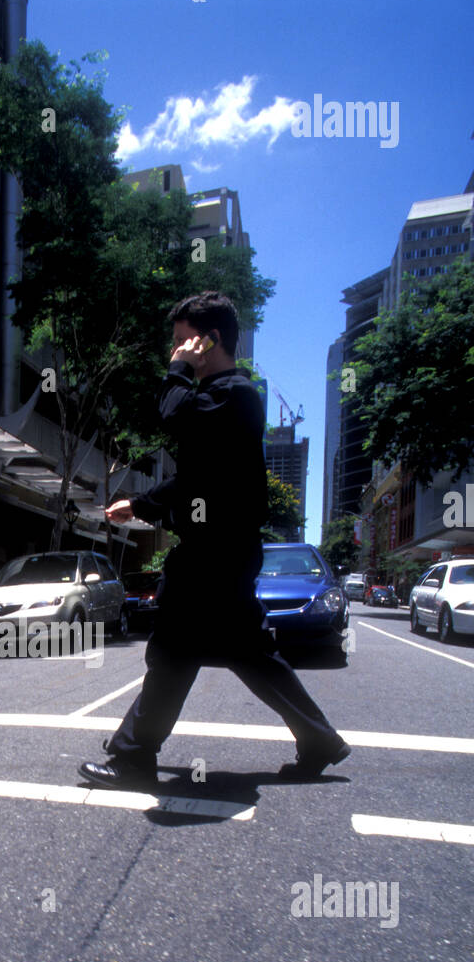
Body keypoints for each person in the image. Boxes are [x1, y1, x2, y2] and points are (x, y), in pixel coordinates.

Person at [79, 291, 350, 789]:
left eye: (183, 342)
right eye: (176, 345)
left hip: (214, 553)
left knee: (173, 650)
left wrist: (177, 371)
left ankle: (134, 756)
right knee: (245, 651)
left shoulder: (235, 393)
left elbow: (174, 416)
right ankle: (319, 740)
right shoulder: (222, 398)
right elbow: (194, 478)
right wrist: (140, 505)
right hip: (221, 552)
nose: (175, 351)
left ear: (212, 339)